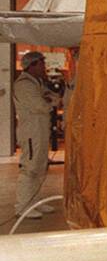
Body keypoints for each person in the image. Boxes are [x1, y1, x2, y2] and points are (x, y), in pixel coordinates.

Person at [12, 51, 60, 217]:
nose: (44, 67)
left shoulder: (37, 82)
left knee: (40, 167)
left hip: (40, 130)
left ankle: (34, 202)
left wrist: (50, 99)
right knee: (30, 168)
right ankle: (22, 206)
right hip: (31, 132)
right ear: (32, 65)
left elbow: (53, 98)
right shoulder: (24, 85)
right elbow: (41, 105)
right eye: (41, 64)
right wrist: (48, 101)